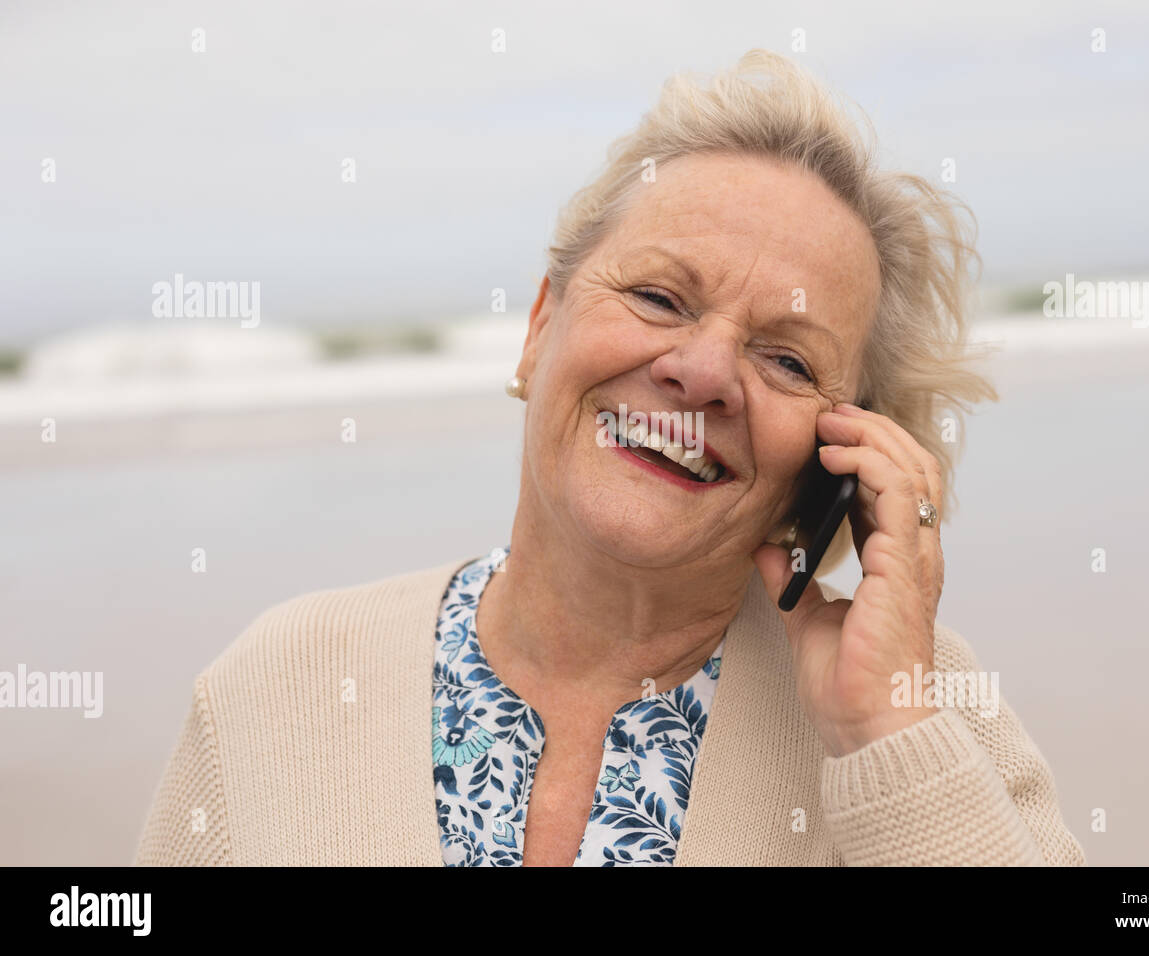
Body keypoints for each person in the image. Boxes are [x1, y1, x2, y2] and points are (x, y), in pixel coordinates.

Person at [134, 48, 1085, 866]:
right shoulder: (276, 683)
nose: (704, 371)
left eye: (787, 359)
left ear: (838, 462)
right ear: (540, 328)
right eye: (661, 298)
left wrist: (882, 733)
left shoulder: (926, 703)